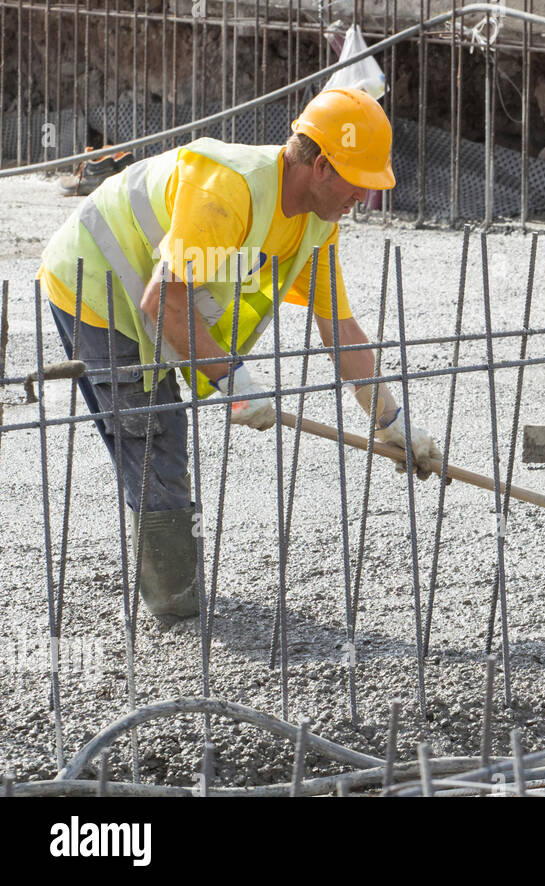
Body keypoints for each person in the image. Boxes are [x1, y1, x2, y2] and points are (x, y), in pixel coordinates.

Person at [37, 87, 441, 628]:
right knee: (153, 434)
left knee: (157, 433)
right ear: (321, 166)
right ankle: (177, 613)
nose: (364, 199)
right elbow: (162, 302)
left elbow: (339, 328)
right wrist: (238, 383)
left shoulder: (315, 222)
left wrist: (391, 421)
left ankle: (174, 591)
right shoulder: (230, 193)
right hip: (93, 284)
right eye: (360, 184)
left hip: (155, 303)